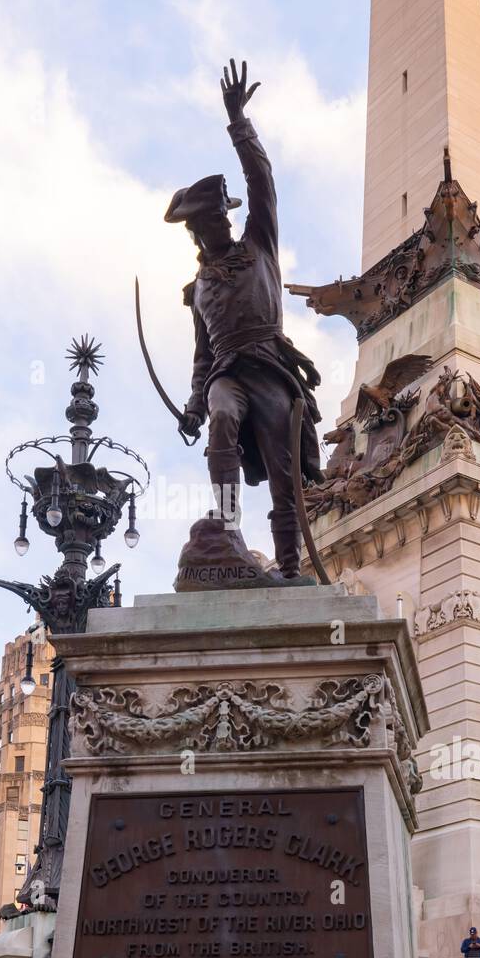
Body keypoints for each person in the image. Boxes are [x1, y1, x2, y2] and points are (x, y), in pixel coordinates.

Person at [164, 59, 322, 579]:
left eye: (212, 220)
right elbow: (202, 355)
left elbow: (263, 180)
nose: (206, 231)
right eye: (199, 227)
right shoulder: (201, 289)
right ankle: (228, 522)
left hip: (270, 366)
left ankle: (291, 567)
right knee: (223, 416)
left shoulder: (260, 245)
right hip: (228, 373)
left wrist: (238, 123)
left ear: (225, 219)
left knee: (284, 472)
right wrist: (193, 404)